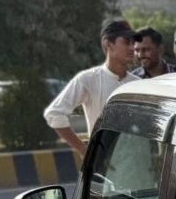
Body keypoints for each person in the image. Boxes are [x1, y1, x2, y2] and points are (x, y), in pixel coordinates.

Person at [44, 18, 139, 159]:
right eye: (126, 42)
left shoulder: (138, 84)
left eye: (133, 43)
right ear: (108, 44)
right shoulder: (88, 79)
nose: (132, 48)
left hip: (138, 166)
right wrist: (83, 150)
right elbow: (54, 114)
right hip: (104, 167)